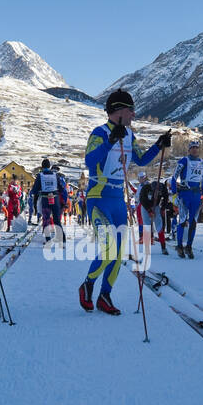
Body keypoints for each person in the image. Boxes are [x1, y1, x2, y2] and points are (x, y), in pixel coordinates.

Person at [79, 89, 169, 314]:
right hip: (99, 198)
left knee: (118, 253)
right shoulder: (99, 133)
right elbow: (90, 161)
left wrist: (159, 145)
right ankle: (88, 284)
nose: (133, 114)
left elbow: (141, 159)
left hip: (118, 200)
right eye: (131, 110)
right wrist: (110, 141)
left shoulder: (129, 135)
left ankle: (105, 296)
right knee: (109, 248)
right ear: (118, 110)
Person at [170, 140, 203, 258]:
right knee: (182, 221)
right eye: (192, 148)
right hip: (184, 195)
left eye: (196, 147)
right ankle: (179, 246)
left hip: (196, 196)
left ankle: (189, 246)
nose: (195, 149)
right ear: (189, 150)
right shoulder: (184, 160)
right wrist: (174, 192)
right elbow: (174, 177)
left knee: (193, 222)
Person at [31, 158, 67, 245]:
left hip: (45, 199)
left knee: (46, 219)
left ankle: (48, 239)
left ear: (42, 167)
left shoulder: (40, 176)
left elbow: (34, 190)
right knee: (57, 219)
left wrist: (36, 192)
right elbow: (62, 188)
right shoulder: (55, 175)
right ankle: (62, 238)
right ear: (49, 166)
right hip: (55, 198)